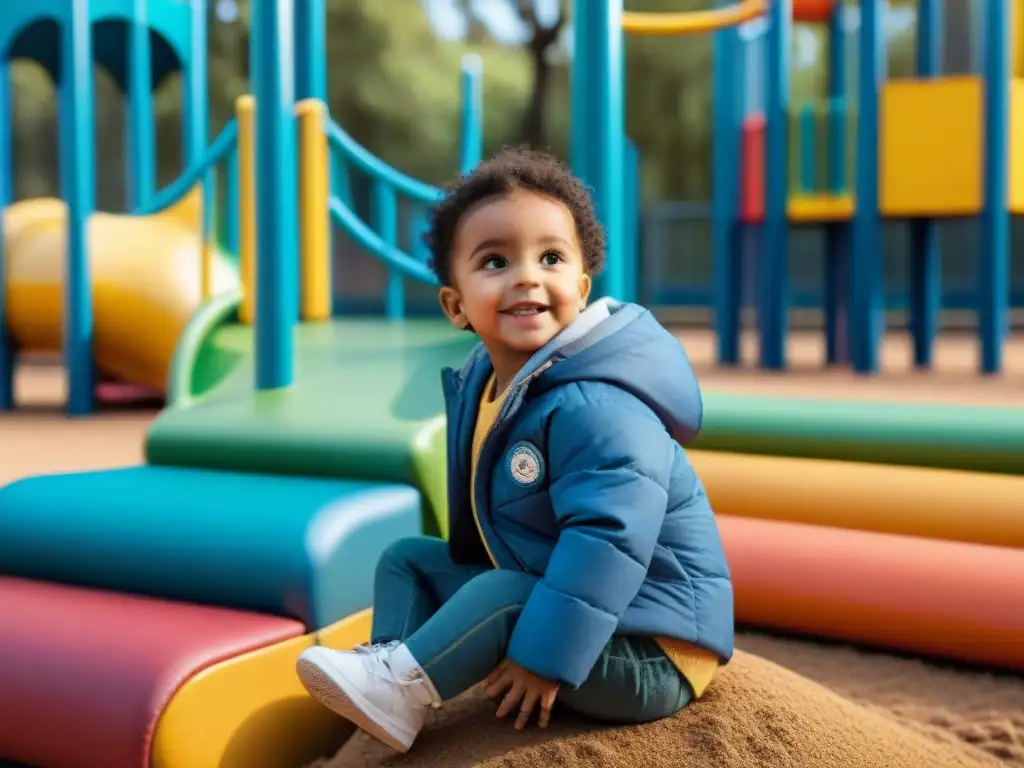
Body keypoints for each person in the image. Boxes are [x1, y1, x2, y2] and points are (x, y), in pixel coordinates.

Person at [296, 147, 734, 753]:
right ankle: (391, 673)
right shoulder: (490, 386)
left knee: (503, 597)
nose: (527, 275)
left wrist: (545, 656)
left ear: (581, 289)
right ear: (456, 306)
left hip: (652, 648)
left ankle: (403, 684)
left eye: (550, 257)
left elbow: (609, 539)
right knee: (408, 559)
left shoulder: (595, 404)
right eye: (496, 260)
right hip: (579, 606)